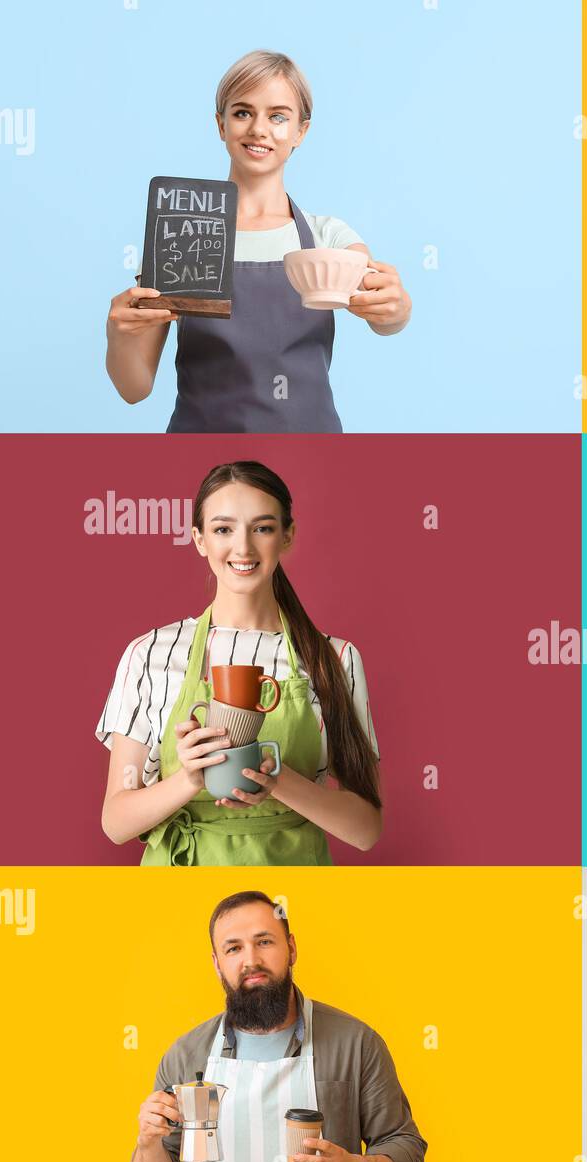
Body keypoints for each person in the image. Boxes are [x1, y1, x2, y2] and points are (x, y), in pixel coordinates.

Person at [132, 891, 426, 1162]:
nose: (250, 959)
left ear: (291, 948)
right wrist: (148, 1143)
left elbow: (407, 1152)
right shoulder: (187, 1055)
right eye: (233, 948)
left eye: (264, 941)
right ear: (217, 964)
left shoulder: (355, 1043)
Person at [105, 50, 411, 432]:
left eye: (278, 116)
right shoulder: (180, 234)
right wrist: (120, 335)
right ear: (221, 124)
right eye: (242, 113)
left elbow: (377, 308)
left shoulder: (327, 236)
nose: (259, 129)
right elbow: (134, 388)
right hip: (205, 463)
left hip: (310, 458)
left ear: (302, 130)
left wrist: (395, 309)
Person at [98, 461, 383, 865]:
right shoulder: (149, 654)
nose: (243, 548)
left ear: (288, 535)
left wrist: (276, 779)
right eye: (223, 529)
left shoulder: (335, 659)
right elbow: (116, 822)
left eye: (263, 528)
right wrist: (187, 779)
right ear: (199, 539)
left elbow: (366, 829)